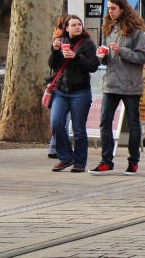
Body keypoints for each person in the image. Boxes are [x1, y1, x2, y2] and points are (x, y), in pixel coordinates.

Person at [90, 0, 145, 175]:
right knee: (104, 122)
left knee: (133, 124)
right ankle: (106, 160)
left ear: (123, 8)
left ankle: (133, 161)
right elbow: (109, 60)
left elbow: (142, 57)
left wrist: (121, 50)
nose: (110, 12)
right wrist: (104, 55)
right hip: (111, 82)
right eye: (108, 8)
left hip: (130, 84)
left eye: (113, 8)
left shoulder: (136, 31)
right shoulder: (108, 28)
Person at [48, 14, 98, 172]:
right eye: (73, 25)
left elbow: (93, 65)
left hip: (80, 92)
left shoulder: (88, 44)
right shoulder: (61, 41)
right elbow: (53, 65)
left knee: (78, 129)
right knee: (56, 123)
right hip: (61, 91)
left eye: (79, 24)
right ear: (67, 28)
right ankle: (65, 157)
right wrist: (55, 51)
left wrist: (76, 57)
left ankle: (79, 162)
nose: (77, 27)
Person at [47, 14, 70, 159]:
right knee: (63, 119)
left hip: (60, 83)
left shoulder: (56, 37)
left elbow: (51, 64)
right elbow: (54, 63)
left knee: (60, 119)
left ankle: (54, 147)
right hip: (63, 84)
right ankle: (57, 147)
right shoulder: (63, 40)